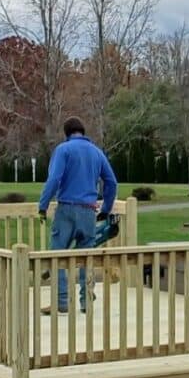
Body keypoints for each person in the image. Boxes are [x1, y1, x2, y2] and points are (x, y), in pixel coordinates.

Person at [38, 116, 118, 313]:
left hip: (66, 209)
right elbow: (112, 182)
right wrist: (106, 209)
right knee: (86, 256)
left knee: (58, 255)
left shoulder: (63, 150)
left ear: (67, 133)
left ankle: (62, 301)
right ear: (83, 131)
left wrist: (43, 205)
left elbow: (54, 179)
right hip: (89, 211)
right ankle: (87, 301)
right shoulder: (97, 153)